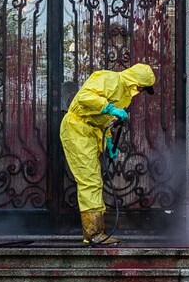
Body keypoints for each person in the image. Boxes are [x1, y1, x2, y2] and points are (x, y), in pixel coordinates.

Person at [60, 64, 155, 246]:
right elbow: (85, 98)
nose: (141, 91)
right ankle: (93, 233)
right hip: (77, 127)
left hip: (91, 132)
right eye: (142, 87)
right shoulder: (110, 79)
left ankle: (95, 231)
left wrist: (109, 142)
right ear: (137, 82)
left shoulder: (125, 96)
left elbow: (105, 123)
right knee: (90, 179)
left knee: (94, 179)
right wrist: (109, 108)